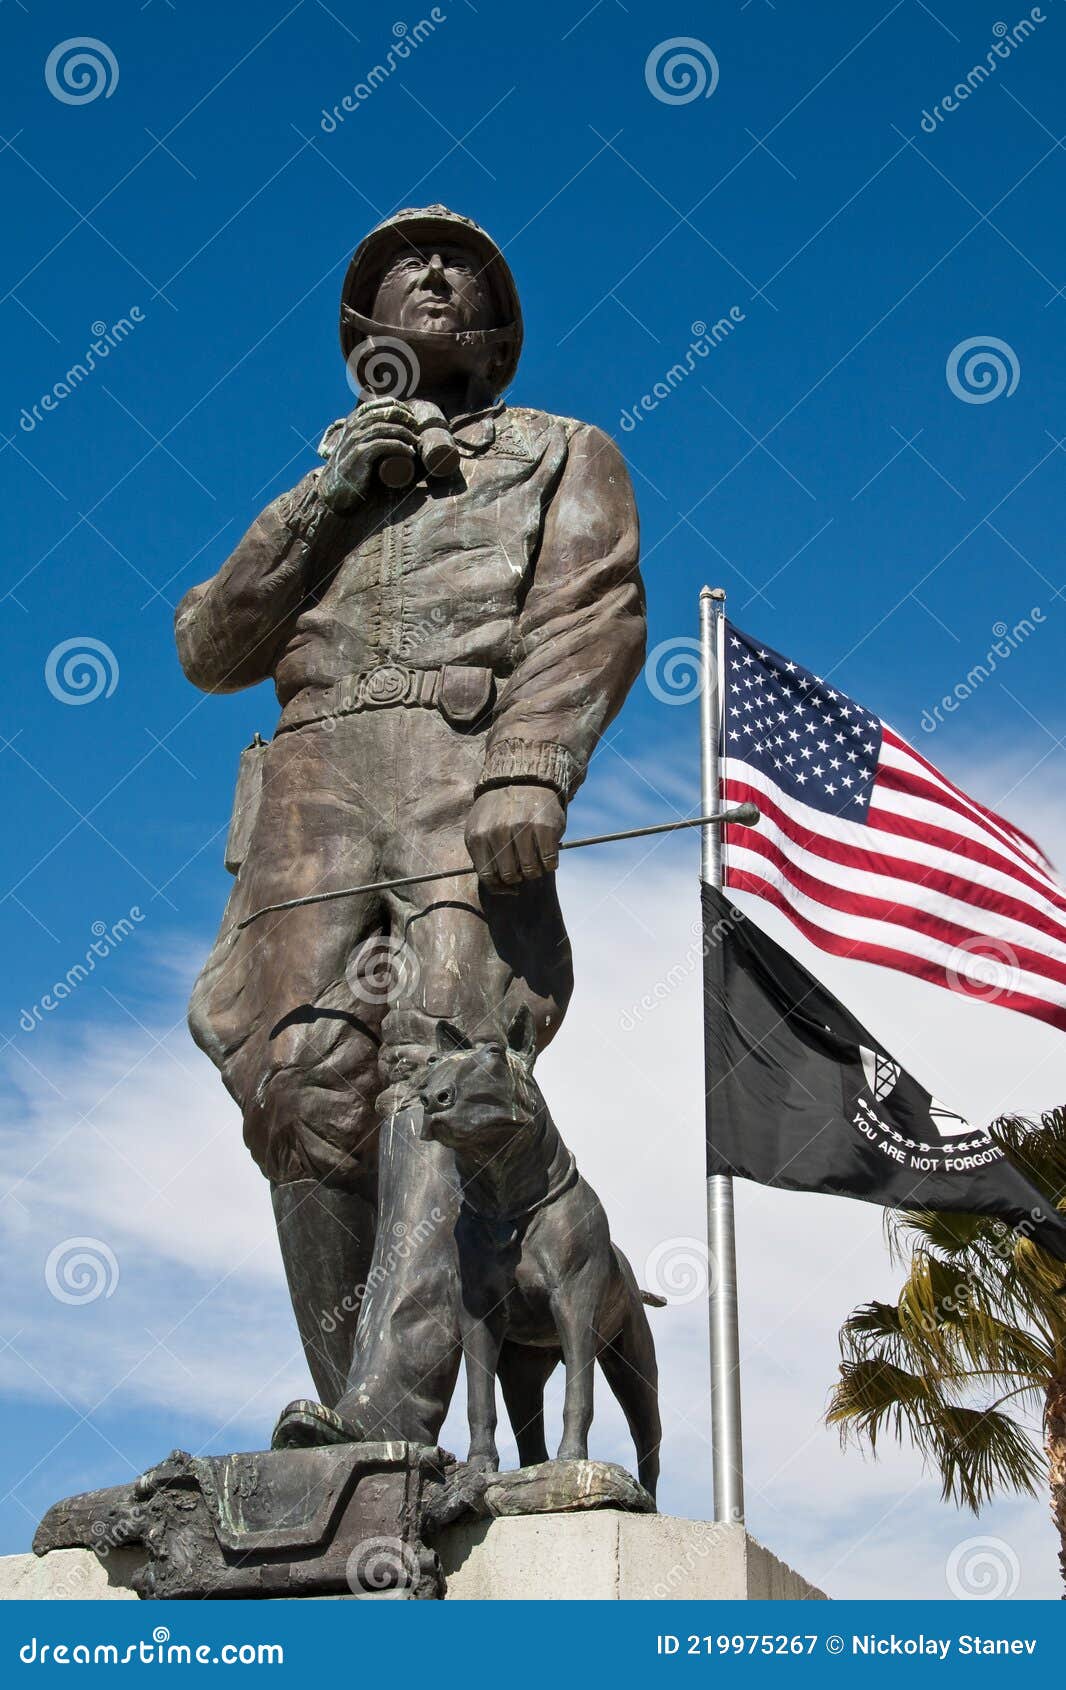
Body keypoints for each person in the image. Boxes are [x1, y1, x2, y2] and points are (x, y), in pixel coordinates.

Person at [174, 205, 645, 1445]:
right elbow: (210, 650)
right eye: (402, 271)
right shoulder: (320, 490)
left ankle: (391, 1411)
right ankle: (350, 1433)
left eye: (457, 271)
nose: (431, 277)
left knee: (440, 1068)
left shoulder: (560, 450)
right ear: (363, 331)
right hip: (311, 797)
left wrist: (532, 765)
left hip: (459, 767)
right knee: (295, 1088)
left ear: (490, 331)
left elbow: (590, 610)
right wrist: (331, 495)